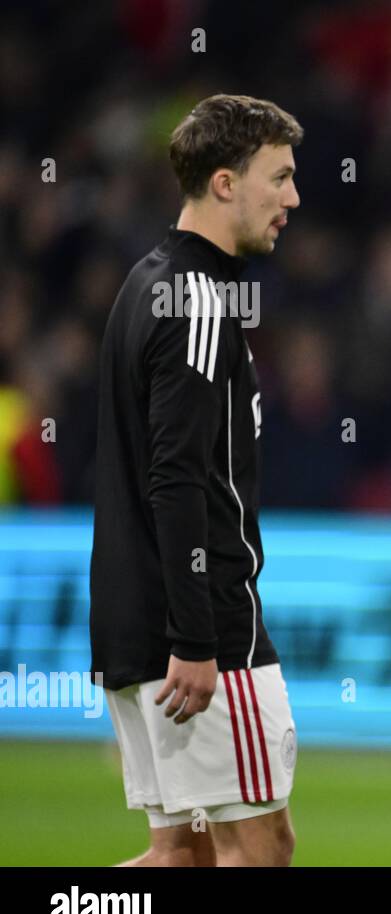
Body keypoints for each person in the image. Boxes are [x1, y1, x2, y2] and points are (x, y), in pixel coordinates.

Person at [90, 93, 302, 867]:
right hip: (201, 629)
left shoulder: (146, 284)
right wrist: (195, 637)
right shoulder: (199, 303)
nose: (292, 199)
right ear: (224, 183)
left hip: (135, 621)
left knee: (183, 854)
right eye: (277, 178)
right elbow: (177, 478)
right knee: (261, 847)